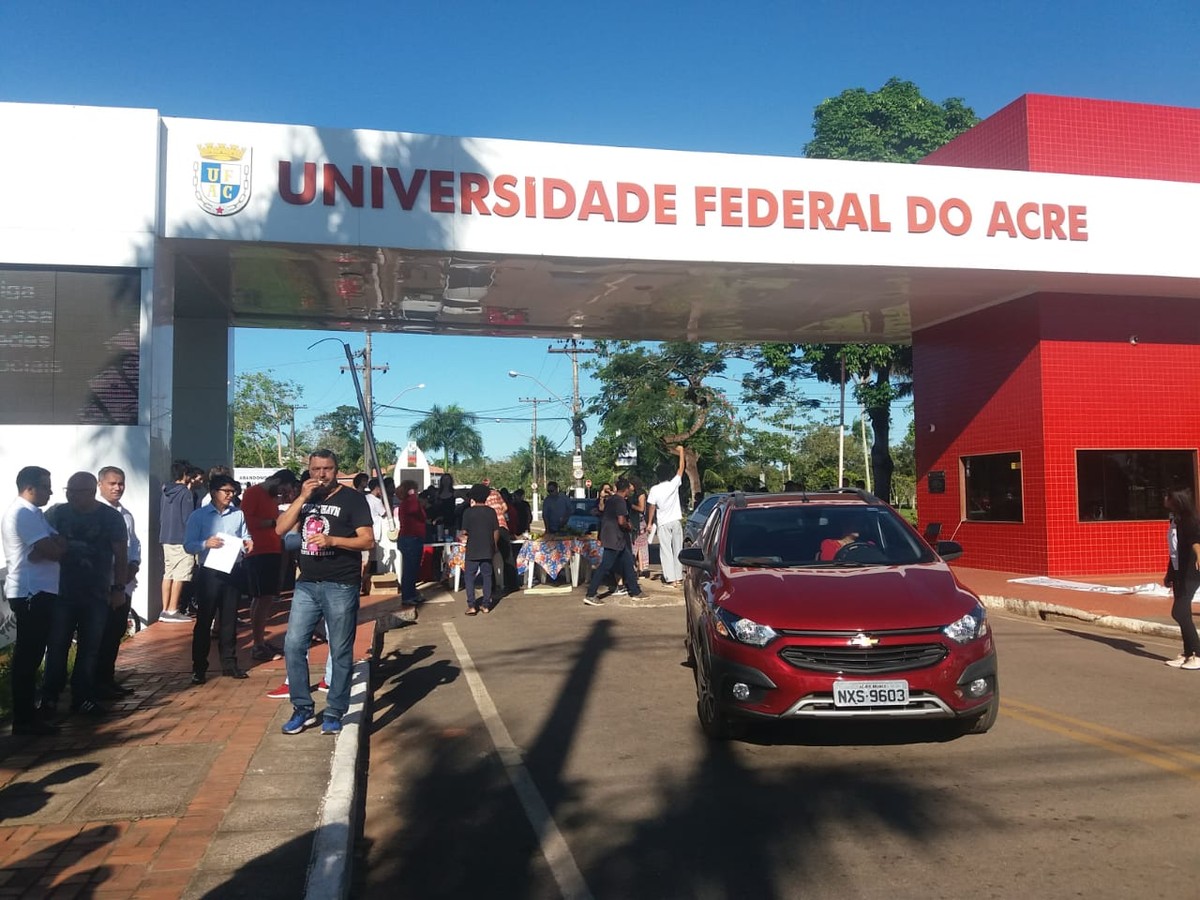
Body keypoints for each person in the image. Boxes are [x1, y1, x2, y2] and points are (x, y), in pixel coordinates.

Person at [276, 449, 374, 736]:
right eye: (316, 469)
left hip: (341, 584)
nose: (321, 475)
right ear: (309, 470)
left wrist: (333, 540)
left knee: (340, 649)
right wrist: (302, 498)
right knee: (294, 645)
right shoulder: (306, 498)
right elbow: (282, 529)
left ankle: (334, 711)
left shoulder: (352, 500)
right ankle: (302, 709)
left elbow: (367, 540)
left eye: (327, 469)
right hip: (307, 583)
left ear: (336, 470)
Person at [43, 472, 128, 717]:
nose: (71, 496)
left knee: (90, 648)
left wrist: (118, 589)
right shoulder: (56, 514)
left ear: (91, 492)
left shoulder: (110, 517)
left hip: (96, 594)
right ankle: (50, 696)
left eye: (76, 492)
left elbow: (120, 555)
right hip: (61, 593)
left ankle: (82, 697)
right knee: (57, 645)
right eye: (68, 491)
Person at [2, 466, 67, 735]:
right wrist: (53, 549)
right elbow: (52, 550)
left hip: (42, 591)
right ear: (29, 488)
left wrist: (54, 548)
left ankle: (28, 716)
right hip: (31, 593)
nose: (50, 492)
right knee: (28, 658)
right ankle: (24, 719)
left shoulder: (35, 514)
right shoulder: (22, 514)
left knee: (34, 654)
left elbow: (59, 542)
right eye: (46, 486)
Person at [184, 473, 252, 683]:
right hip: (209, 572)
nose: (230, 495)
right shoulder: (199, 516)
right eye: (227, 491)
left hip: (233, 570)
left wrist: (248, 543)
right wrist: (205, 544)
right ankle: (199, 668)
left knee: (229, 620)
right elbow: (188, 545)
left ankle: (230, 664)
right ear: (214, 492)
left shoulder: (238, 515)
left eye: (233, 492)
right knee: (204, 621)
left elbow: (245, 536)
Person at [240, 469, 299, 662]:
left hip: (273, 549)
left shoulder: (272, 498)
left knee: (267, 598)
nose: (282, 493)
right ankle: (257, 644)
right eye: (283, 489)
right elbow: (246, 520)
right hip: (258, 551)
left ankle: (260, 643)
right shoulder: (253, 493)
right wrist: (273, 522)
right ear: (277, 481)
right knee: (261, 598)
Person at [95, 465, 140, 698]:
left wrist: (134, 564)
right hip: (101, 587)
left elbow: (134, 544)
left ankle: (107, 679)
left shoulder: (126, 514)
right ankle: (94, 684)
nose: (117, 488)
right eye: (112, 483)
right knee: (99, 637)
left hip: (123, 585)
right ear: (99, 484)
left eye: (121, 483)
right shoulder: (95, 514)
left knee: (115, 634)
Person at [584, 478, 643, 605]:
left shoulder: (611, 500)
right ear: (626, 489)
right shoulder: (620, 501)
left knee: (628, 563)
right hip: (615, 538)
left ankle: (636, 591)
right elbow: (621, 521)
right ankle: (591, 593)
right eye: (629, 489)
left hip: (614, 537)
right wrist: (629, 527)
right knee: (605, 566)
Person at [1163, 488, 1200, 669]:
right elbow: (1174, 550)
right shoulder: (1174, 520)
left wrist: (1199, 556)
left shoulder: (1190, 520)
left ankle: (1198, 654)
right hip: (1178, 572)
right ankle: (1187, 653)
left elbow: (1195, 541)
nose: (1164, 499)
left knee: (1179, 612)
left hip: (1191, 572)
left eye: (1167, 496)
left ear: (1176, 500)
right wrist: (1169, 574)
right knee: (1182, 612)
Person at [159, 460, 198, 621]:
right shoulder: (185, 493)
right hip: (182, 539)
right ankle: (173, 610)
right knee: (181, 574)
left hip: (166, 536)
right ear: (185, 474)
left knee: (169, 573)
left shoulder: (165, 490)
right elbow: (188, 519)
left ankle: (165, 609)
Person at [646, 445, 686, 587]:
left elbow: (651, 506)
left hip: (663, 522)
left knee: (666, 551)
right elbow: (681, 468)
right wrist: (681, 452)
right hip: (676, 520)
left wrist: (650, 523)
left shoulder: (654, 489)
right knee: (678, 549)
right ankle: (679, 577)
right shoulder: (673, 484)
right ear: (669, 474)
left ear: (657, 475)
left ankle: (671, 579)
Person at [461, 483, 499, 615]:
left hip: (472, 549)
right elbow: (496, 531)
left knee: (469, 577)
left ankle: (471, 605)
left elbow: (464, 532)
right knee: (487, 576)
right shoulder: (491, 512)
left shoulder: (468, 512)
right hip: (487, 548)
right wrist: (494, 545)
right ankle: (486, 605)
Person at [396, 478, 427, 605]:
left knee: (413, 568)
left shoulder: (408, 503)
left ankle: (411, 593)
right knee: (409, 568)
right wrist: (413, 495)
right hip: (410, 538)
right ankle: (407, 595)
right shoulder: (408, 503)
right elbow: (415, 510)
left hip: (414, 538)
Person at [485, 481, 513, 594]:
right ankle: (511, 584)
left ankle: (492, 585)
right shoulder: (496, 493)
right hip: (502, 526)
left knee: (490, 556)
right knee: (507, 556)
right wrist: (498, 513)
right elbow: (505, 507)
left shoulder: (479, 497)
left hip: (489, 528)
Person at [629, 478, 650, 577]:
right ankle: (641, 568)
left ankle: (641, 568)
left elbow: (641, 508)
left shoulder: (641, 494)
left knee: (638, 546)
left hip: (639, 523)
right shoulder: (633, 494)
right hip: (635, 522)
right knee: (638, 546)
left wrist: (630, 505)